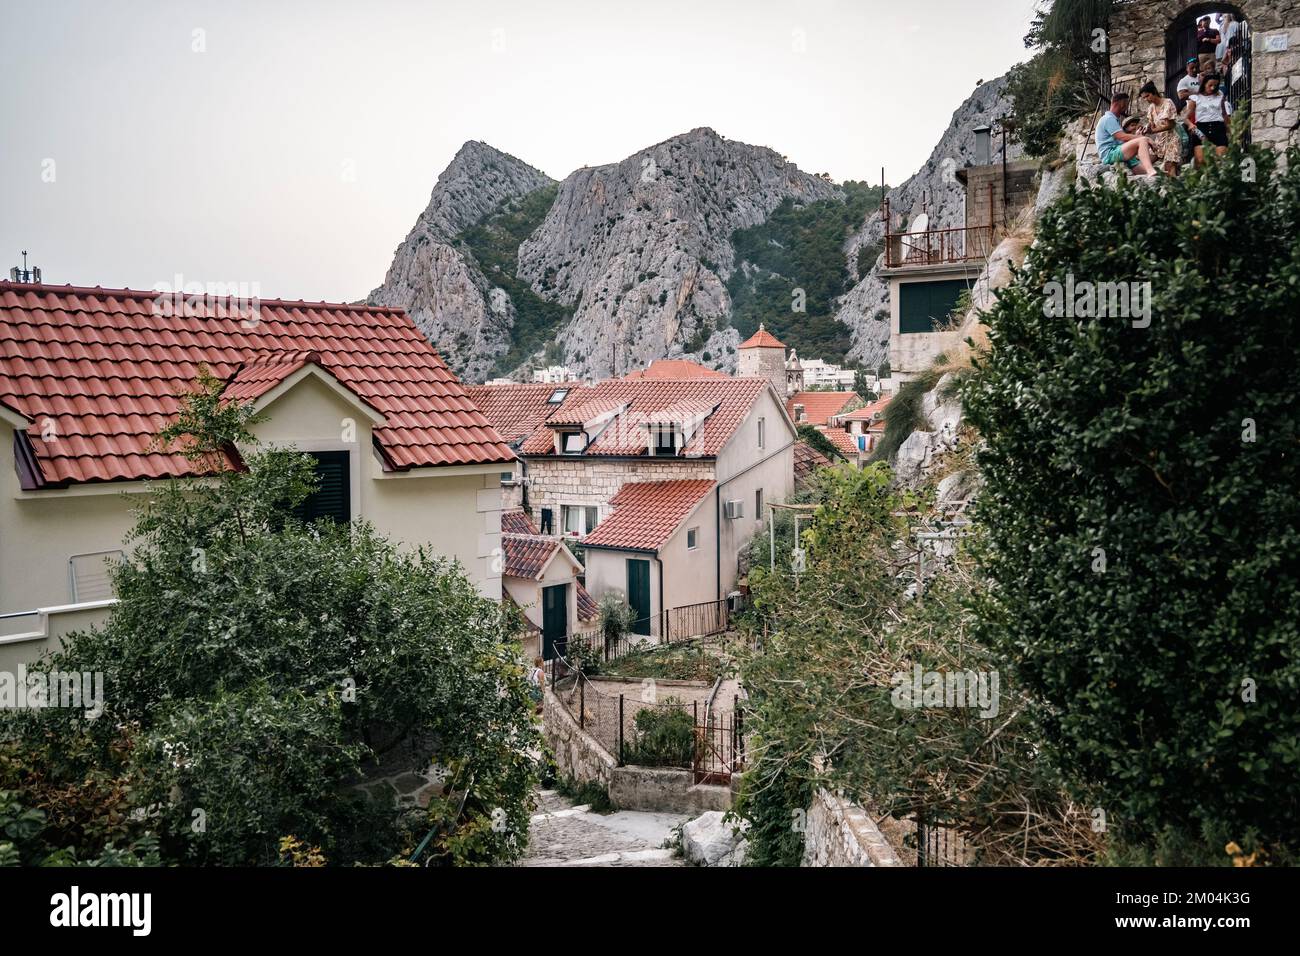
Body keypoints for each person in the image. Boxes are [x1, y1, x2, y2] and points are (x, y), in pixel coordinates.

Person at [1095, 90, 1158, 177]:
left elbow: (1122, 141)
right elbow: (1122, 137)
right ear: (1121, 103)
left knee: (1158, 173)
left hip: (1116, 152)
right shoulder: (1108, 119)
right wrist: (1145, 138)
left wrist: (1137, 136)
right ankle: (1150, 170)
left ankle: (1150, 171)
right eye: (1126, 104)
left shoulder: (1113, 120)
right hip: (1110, 155)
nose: (1126, 107)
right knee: (1142, 140)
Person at [1188, 73, 1232, 164]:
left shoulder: (1220, 97)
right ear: (1204, 84)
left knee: (1221, 160)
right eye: (1210, 85)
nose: (1212, 88)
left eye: (1215, 86)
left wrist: (1231, 131)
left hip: (1218, 128)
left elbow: (1224, 115)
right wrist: (1191, 124)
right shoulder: (1196, 98)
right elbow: (1186, 118)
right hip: (1202, 128)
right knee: (1201, 161)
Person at [1140, 80, 1182, 177]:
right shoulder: (1151, 108)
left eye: (1147, 96)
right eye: (1144, 98)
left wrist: (1153, 131)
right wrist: (1146, 129)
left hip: (1172, 139)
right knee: (1145, 164)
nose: (1146, 99)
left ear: (1154, 92)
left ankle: (1173, 188)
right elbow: (1152, 125)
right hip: (1159, 140)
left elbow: (1171, 125)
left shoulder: (1167, 103)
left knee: (1169, 170)